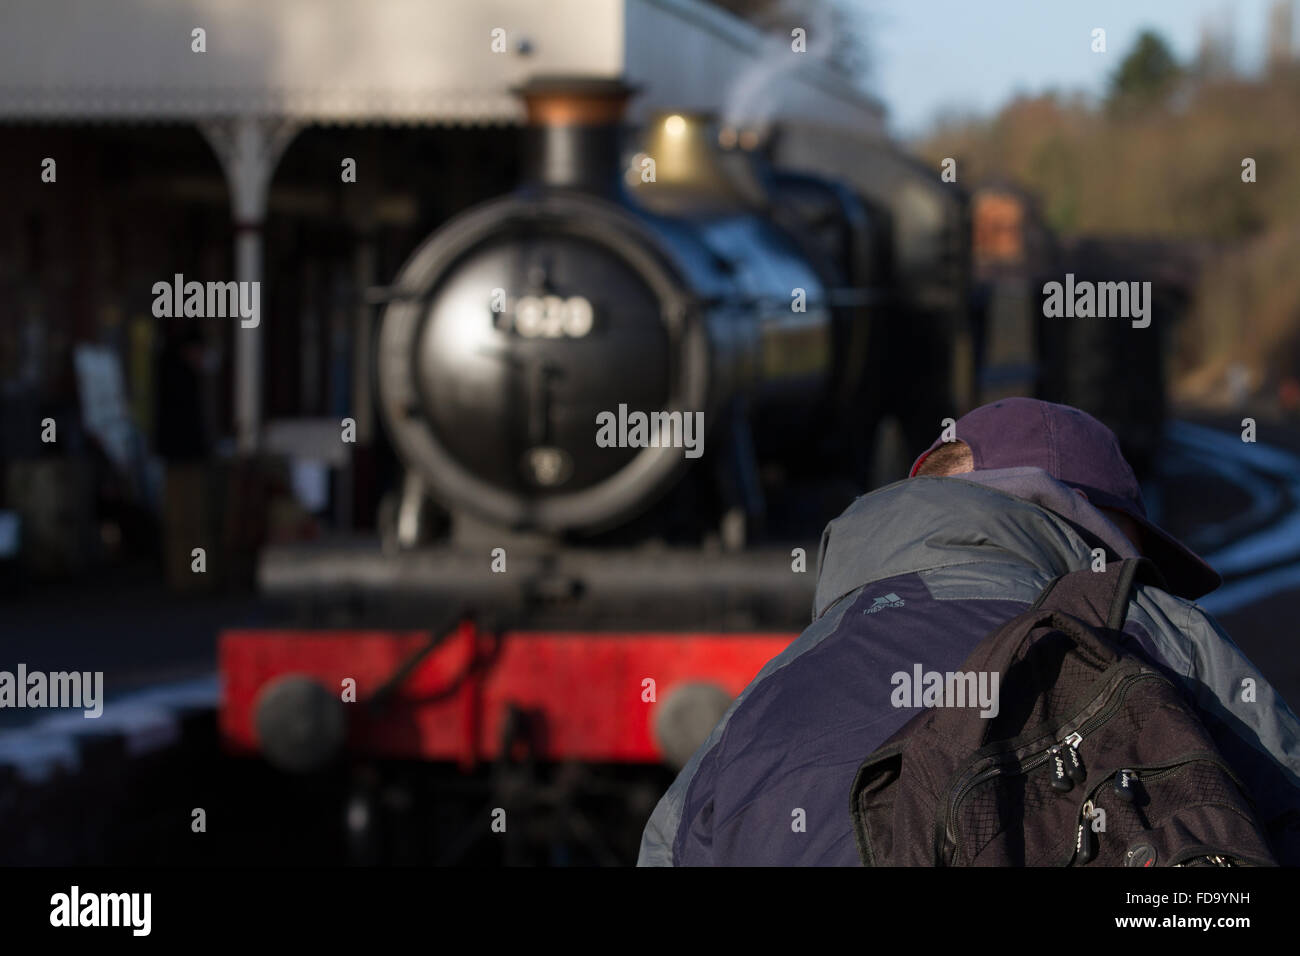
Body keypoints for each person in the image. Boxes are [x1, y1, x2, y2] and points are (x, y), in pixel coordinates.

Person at [637, 397, 1300, 866]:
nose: (1132, 575)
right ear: (1081, 520)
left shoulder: (770, 688)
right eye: (1125, 549)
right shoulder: (1154, 629)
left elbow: (665, 849)